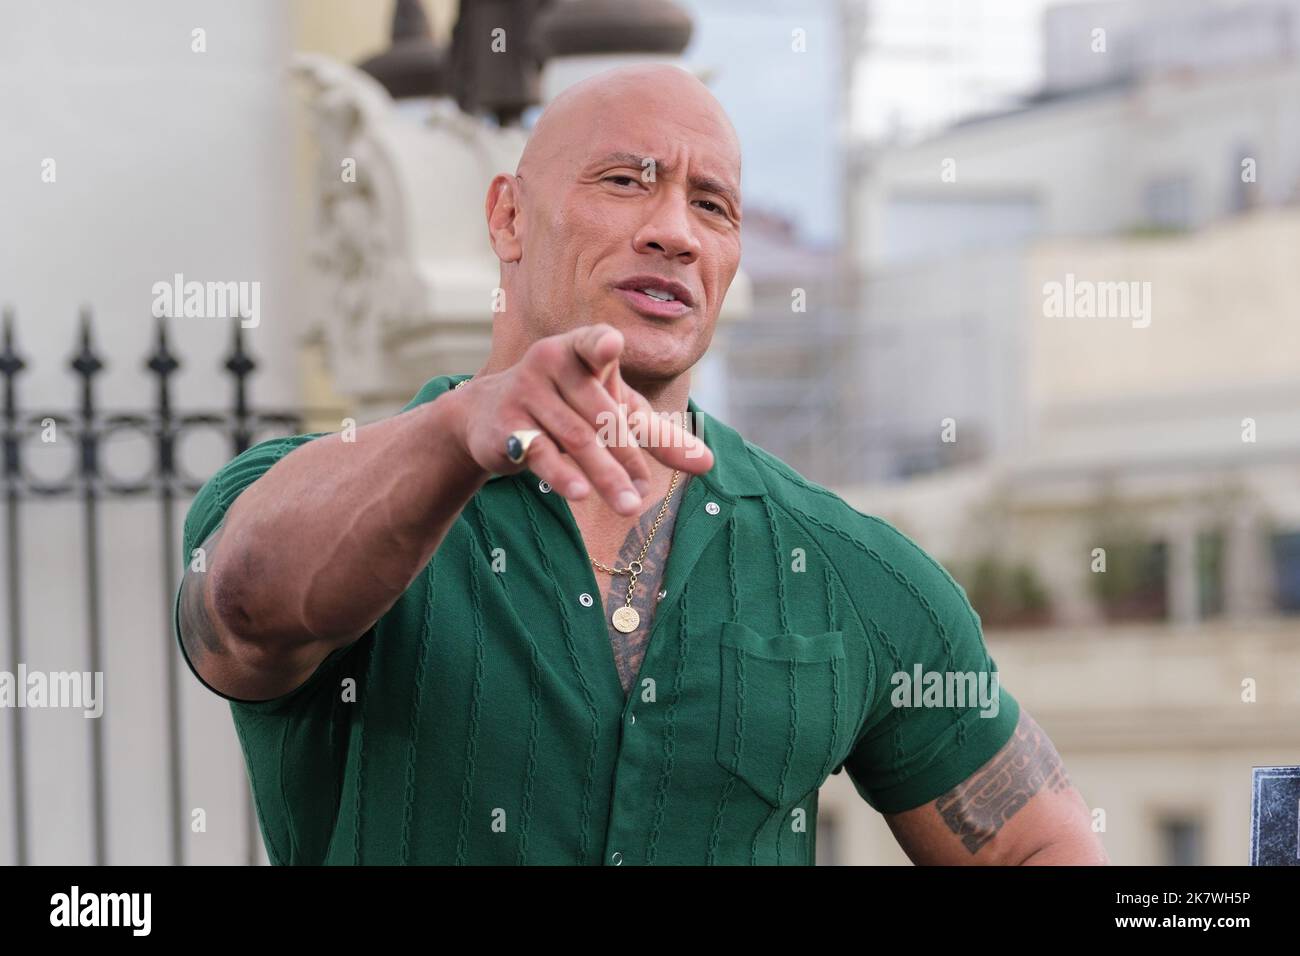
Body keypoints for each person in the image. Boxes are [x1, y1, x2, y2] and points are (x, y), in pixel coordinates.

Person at [175, 64, 1107, 865]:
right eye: (626, 181)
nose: (677, 232)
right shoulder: (320, 495)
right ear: (509, 216)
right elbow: (240, 611)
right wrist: (462, 429)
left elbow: (1036, 841)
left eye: (712, 205)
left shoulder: (844, 570)